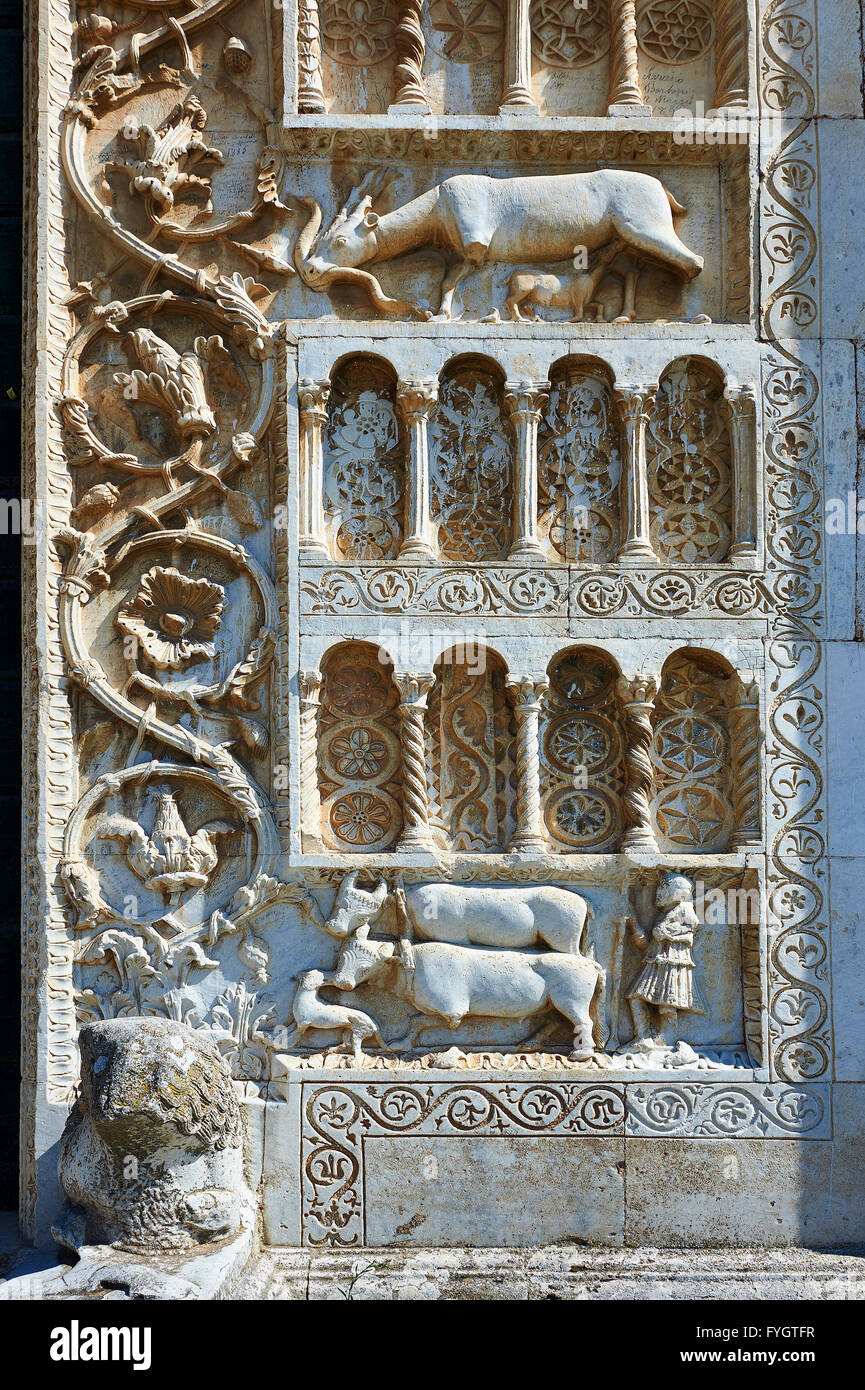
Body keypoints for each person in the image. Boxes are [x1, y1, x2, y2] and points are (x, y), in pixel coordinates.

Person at [625, 872, 703, 1052]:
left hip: (673, 963)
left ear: (678, 893)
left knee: (667, 1003)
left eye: (664, 888)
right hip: (657, 961)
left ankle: (666, 1039)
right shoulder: (666, 914)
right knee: (636, 996)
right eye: (659, 887)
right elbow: (647, 945)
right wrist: (634, 923)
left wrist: (668, 933)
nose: (658, 892)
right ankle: (643, 1037)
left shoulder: (684, 908)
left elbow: (691, 932)